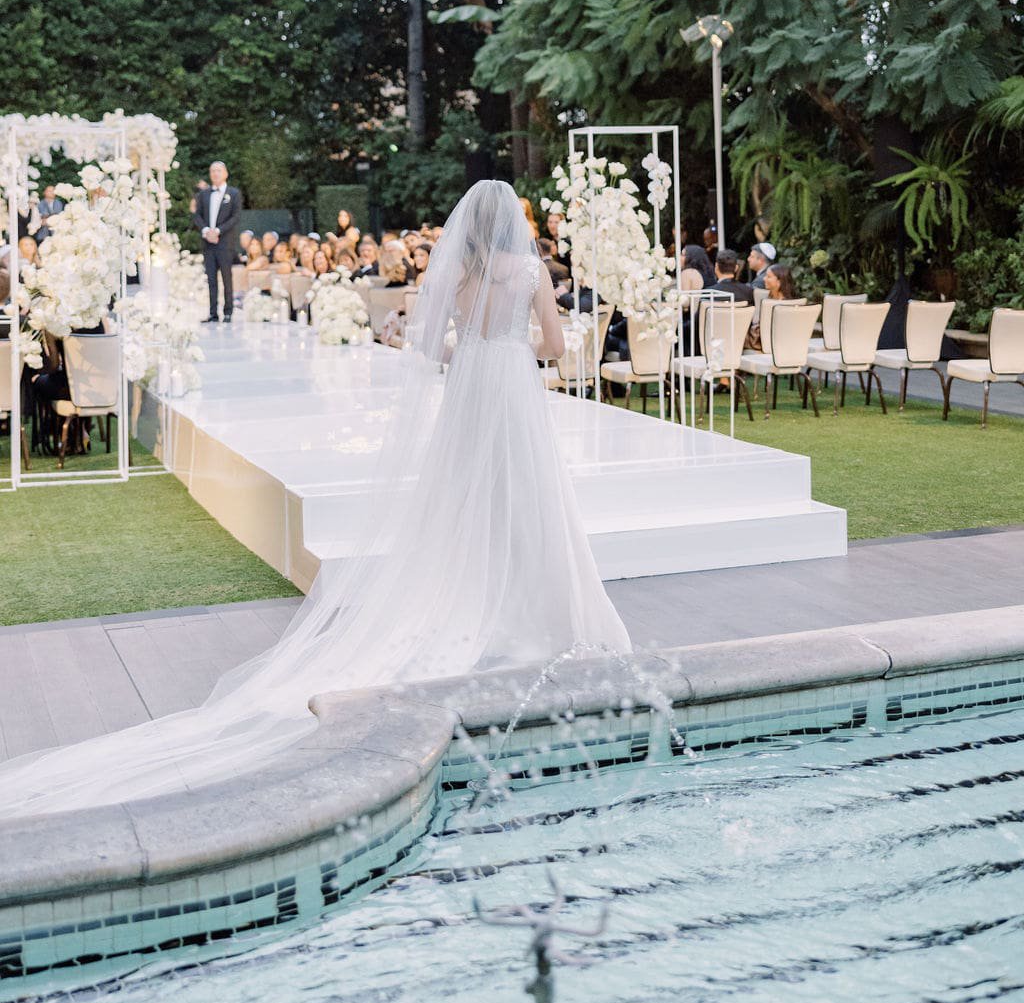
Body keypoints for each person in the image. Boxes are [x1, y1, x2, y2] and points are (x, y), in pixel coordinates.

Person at [0, 180, 630, 817]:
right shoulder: (530, 272)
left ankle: (475, 605)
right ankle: (528, 612)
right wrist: (517, 346)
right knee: (525, 497)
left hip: (470, 388)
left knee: (462, 503)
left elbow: (433, 344)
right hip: (514, 389)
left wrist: (472, 346)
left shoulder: (459, 274)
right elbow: (554, 348)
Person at [193, 162, 242, 324]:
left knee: (227, 278)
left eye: (218, 171)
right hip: (208, 243)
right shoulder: (204, 194)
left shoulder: (234, 193)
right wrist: (206, 231)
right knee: (211, 279)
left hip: (225, 242)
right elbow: (197, 215)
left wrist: (218, 231)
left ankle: (228, 312)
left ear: (225, 173)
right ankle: (213, 313)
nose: (215, 173)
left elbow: (235, 217)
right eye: (212, 171)